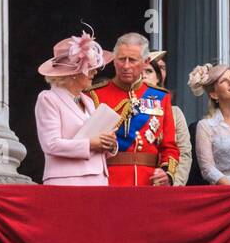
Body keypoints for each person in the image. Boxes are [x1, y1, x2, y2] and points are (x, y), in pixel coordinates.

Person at [90, 32, 180, 187]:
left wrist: (167, 173)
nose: (126, 66)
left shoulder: (160, 96)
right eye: (121, 59)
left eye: (132, 60)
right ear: (113, 61)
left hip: (149, 182)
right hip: (108, 181)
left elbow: (169, 146)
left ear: (145, 62)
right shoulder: (94, 95)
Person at [34, 31, 117, 185]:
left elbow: (98, 144)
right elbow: (51, 144)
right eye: (90, 67)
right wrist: (91, 143)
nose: (95, 72)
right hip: (67, 181)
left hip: (99, 180)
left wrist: (109, 144)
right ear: (73, 73)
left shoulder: (88, 101)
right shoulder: (48, 98)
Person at [142, 51, 192, 186]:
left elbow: (184, 154)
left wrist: (173, 183)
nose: (143, 75)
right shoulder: (125, 107)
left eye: (148, 71)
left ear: (158, 77)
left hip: (165, 185)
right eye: (140, 71)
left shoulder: (175, 113)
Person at [190, 63, 230, 185]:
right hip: (226, 191)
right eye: (224, 81)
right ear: (214, 94)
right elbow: (207, 169)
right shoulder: (206, 126)